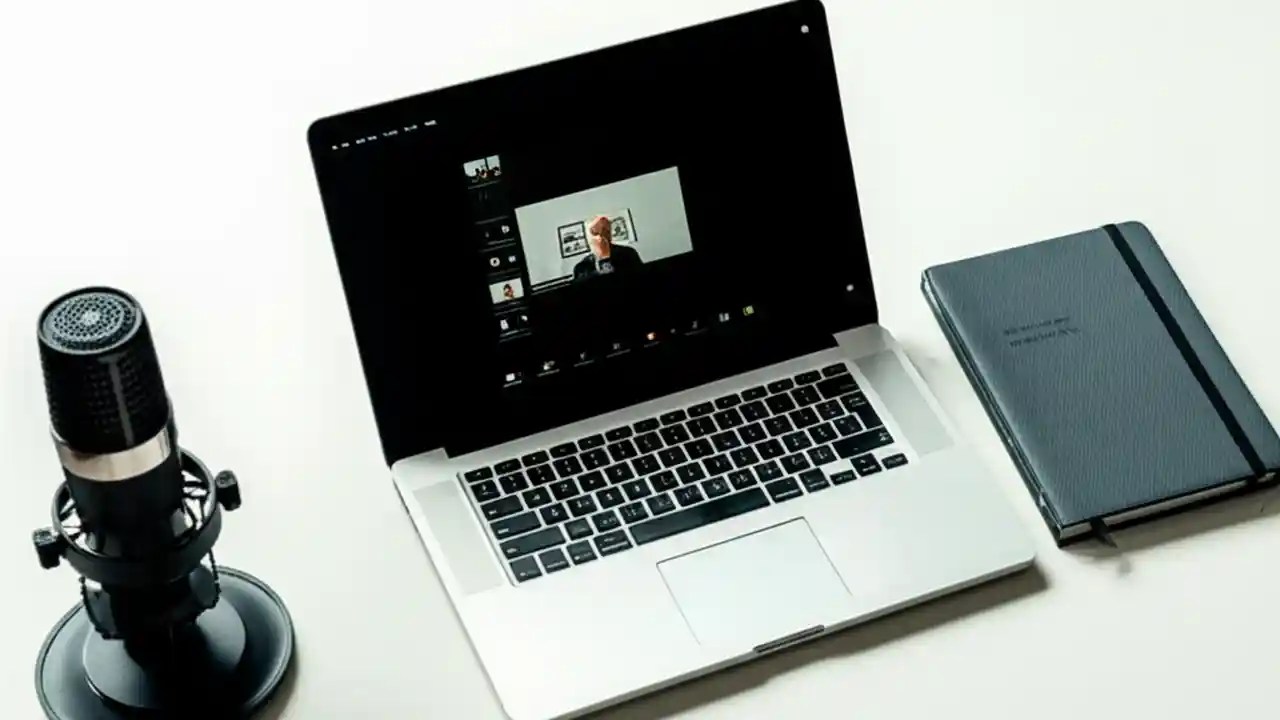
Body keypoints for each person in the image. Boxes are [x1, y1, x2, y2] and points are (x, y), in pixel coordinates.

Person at [573, 215, 642, 280]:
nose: (601, 236)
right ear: (587, 237)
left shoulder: (628, 254)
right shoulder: (582, 267)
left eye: (606, 231)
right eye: (595, 232)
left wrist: (605, 258)